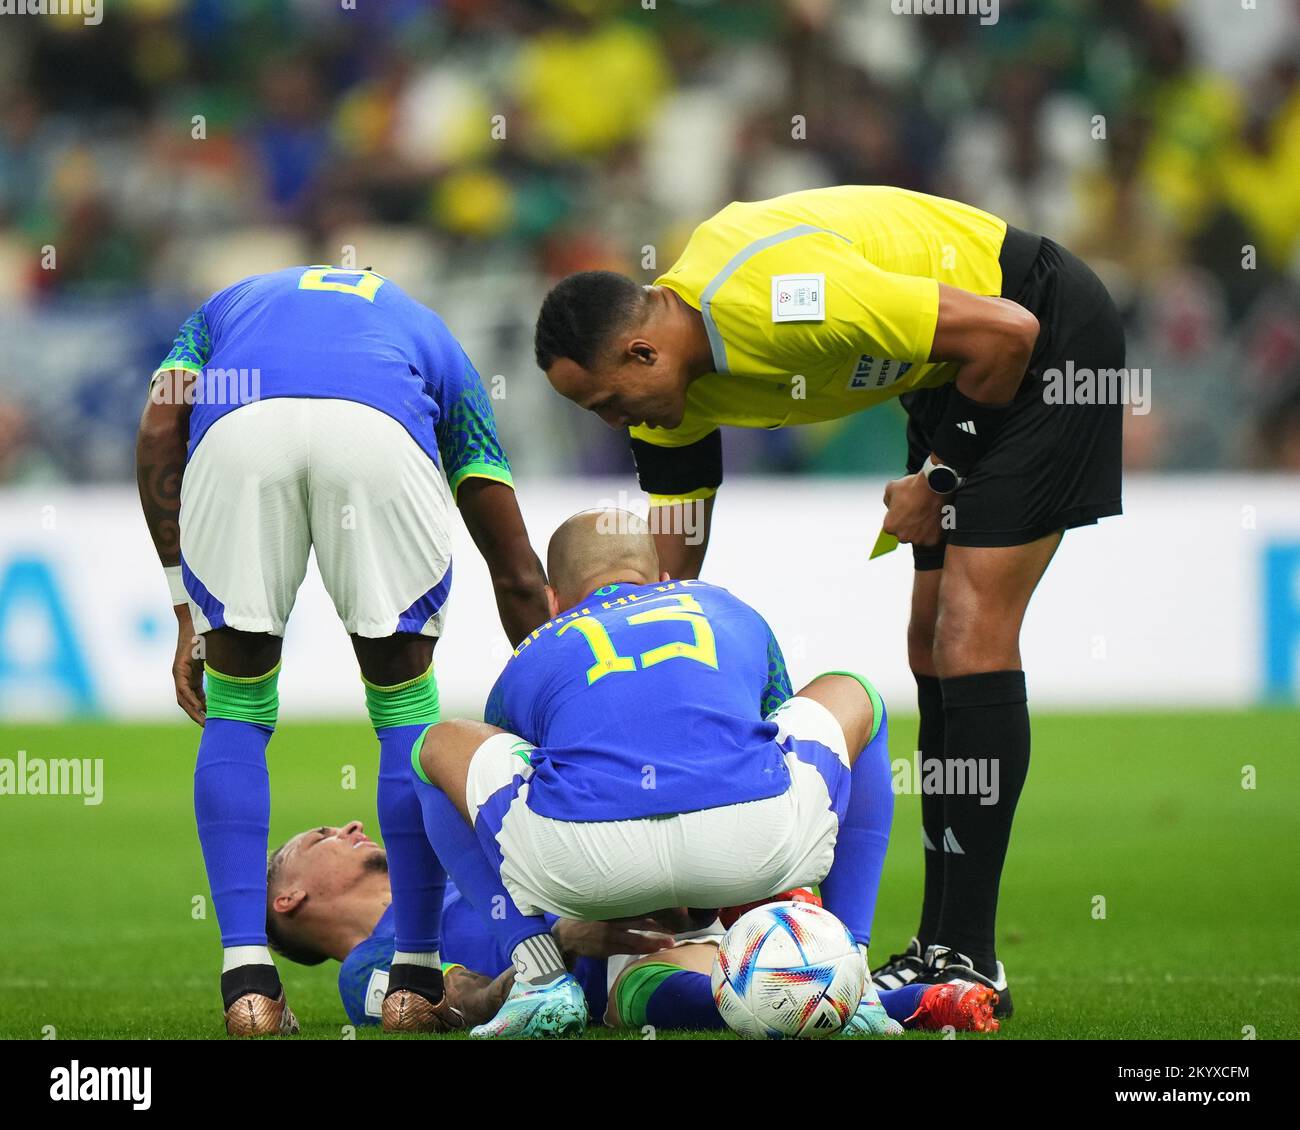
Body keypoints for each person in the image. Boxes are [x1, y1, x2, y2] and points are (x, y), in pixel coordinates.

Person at [534, 186, 1126, 1014]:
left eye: (607, 402)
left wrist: (938, 478)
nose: (612, 422)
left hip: (1038, 339)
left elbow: (1007, 332)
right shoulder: (670, 396)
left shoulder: (779, 297)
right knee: (928, 643)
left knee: (968, 634)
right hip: (952, 374)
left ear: (641, 353)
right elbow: (672, 578)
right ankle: (940, 947)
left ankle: (970, 953)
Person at [136, 265, 550, 1036]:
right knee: (404, 710)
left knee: (237, 705)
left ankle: (248, 987)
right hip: (379, 432)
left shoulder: (222, 309)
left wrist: (184, 609)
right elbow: (517, 567)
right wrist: (556, 693)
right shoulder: (428, 331)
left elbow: (160, 429)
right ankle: (414, 982)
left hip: (238, 434)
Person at [406, 508, 902, 1038]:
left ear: (553, 601)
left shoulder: (532, 652)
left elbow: (512, 785)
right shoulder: (726, 607)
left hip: (583, 867)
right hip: (756, 842)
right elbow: (773, 729)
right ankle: (856, 981)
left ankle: (539, 977)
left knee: (433, 748)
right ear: (665, 580)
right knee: (855, 693)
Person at [266, 823, 998, 1034]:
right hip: (616, 963)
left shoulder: (450, 871)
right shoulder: (367, 968)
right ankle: (922, 1003)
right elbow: (464, 1003)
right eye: (321, 836)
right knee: (689, 989)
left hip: (650, 889)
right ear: (288, 899)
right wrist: (557, 946)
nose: (350, 825)